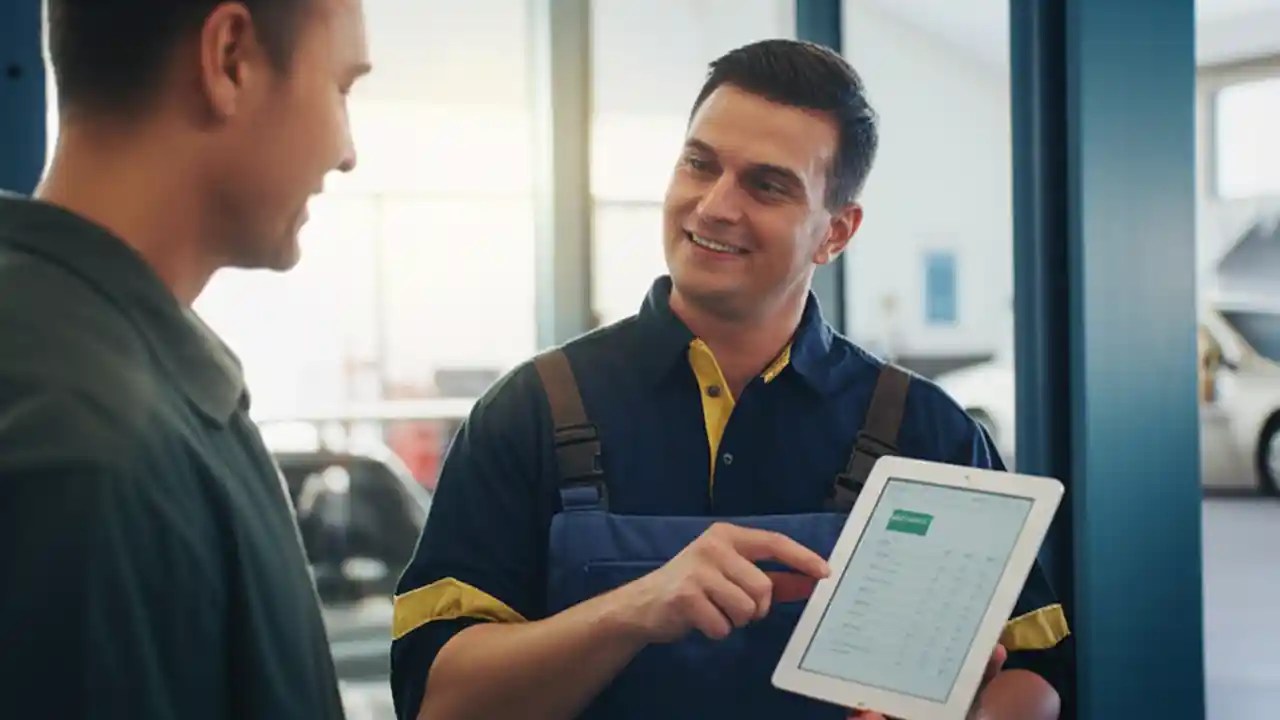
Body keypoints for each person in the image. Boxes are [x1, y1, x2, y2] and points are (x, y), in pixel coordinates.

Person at [391, 40, 1071, 720]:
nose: (715, 205)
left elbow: (1037, 667)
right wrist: (633, 610)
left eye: (766, 185)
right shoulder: (530, 413)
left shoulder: (926, 432)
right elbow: (437, 700)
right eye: (700, 164)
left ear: (836, 232)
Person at [0, 0, 370, 717]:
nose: (346, 150)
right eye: (341, 87)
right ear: (230, 59)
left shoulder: (83, 369)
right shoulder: (89, 453)